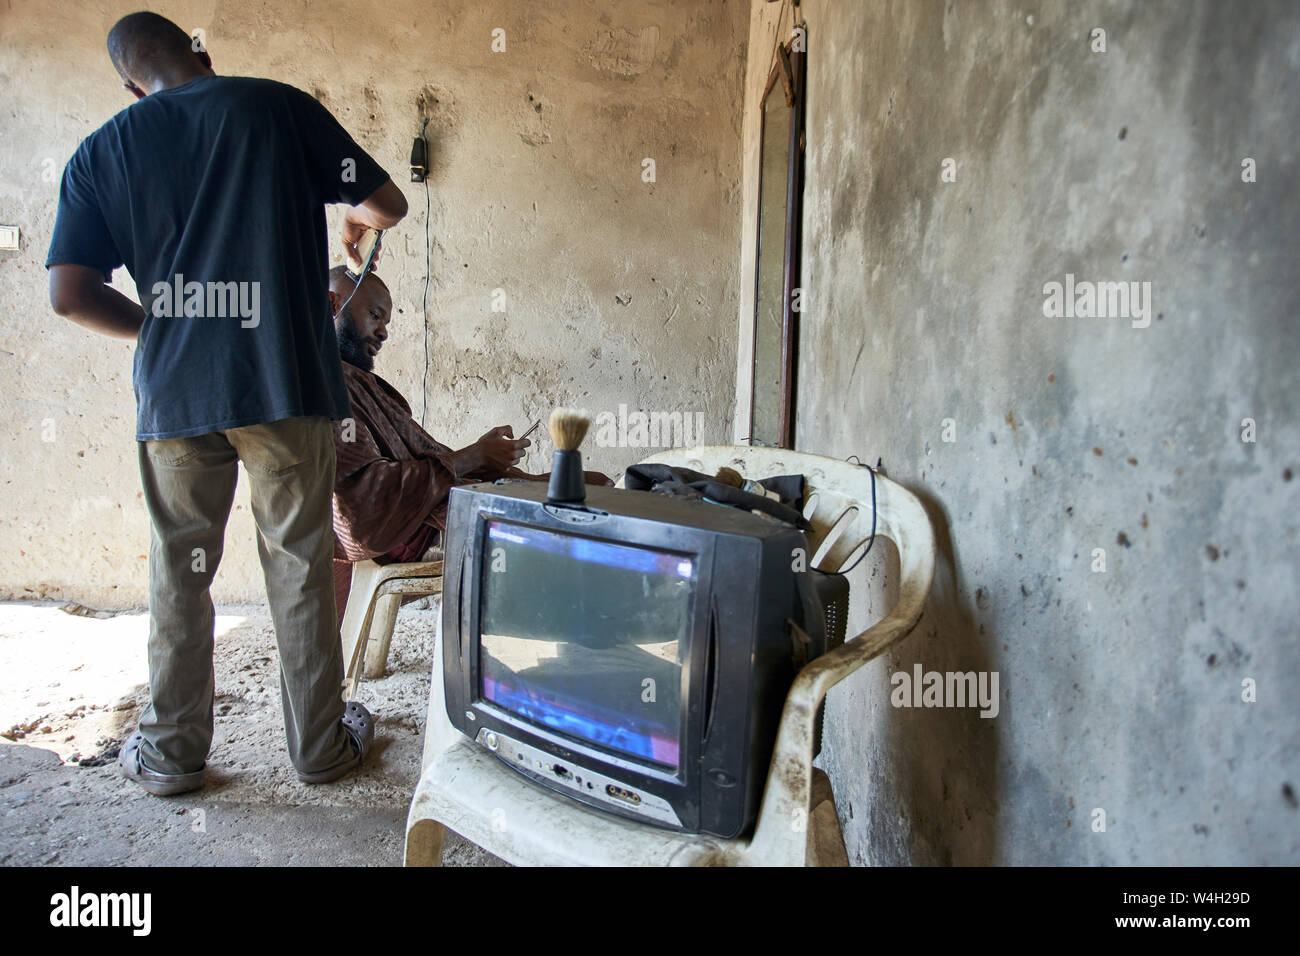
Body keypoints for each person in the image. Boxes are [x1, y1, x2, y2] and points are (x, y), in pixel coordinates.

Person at [45, 12, 408, 795]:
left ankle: (172, 755)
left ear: (133, 85)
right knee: (299, 565)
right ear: (201, 52)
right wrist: (352, 216)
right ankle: (319, 750)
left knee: (181, 569)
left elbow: (69, 294)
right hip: (286, 384)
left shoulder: (105, 148)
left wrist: (161, 331)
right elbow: (388, 206)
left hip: (178, 392)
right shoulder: (276, 107)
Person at [328, 266, 610, 617]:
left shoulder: (354, 380)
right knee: (568, 528)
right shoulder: (327, 385)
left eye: (385, 321)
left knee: (597, 488)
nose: (383, 332)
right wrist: (472, 457)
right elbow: (365, 505)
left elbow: (414, 465)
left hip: (430, 510)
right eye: (374, 315)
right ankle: (573, 628)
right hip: (408, 535)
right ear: (331, 304)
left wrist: (480, 460)